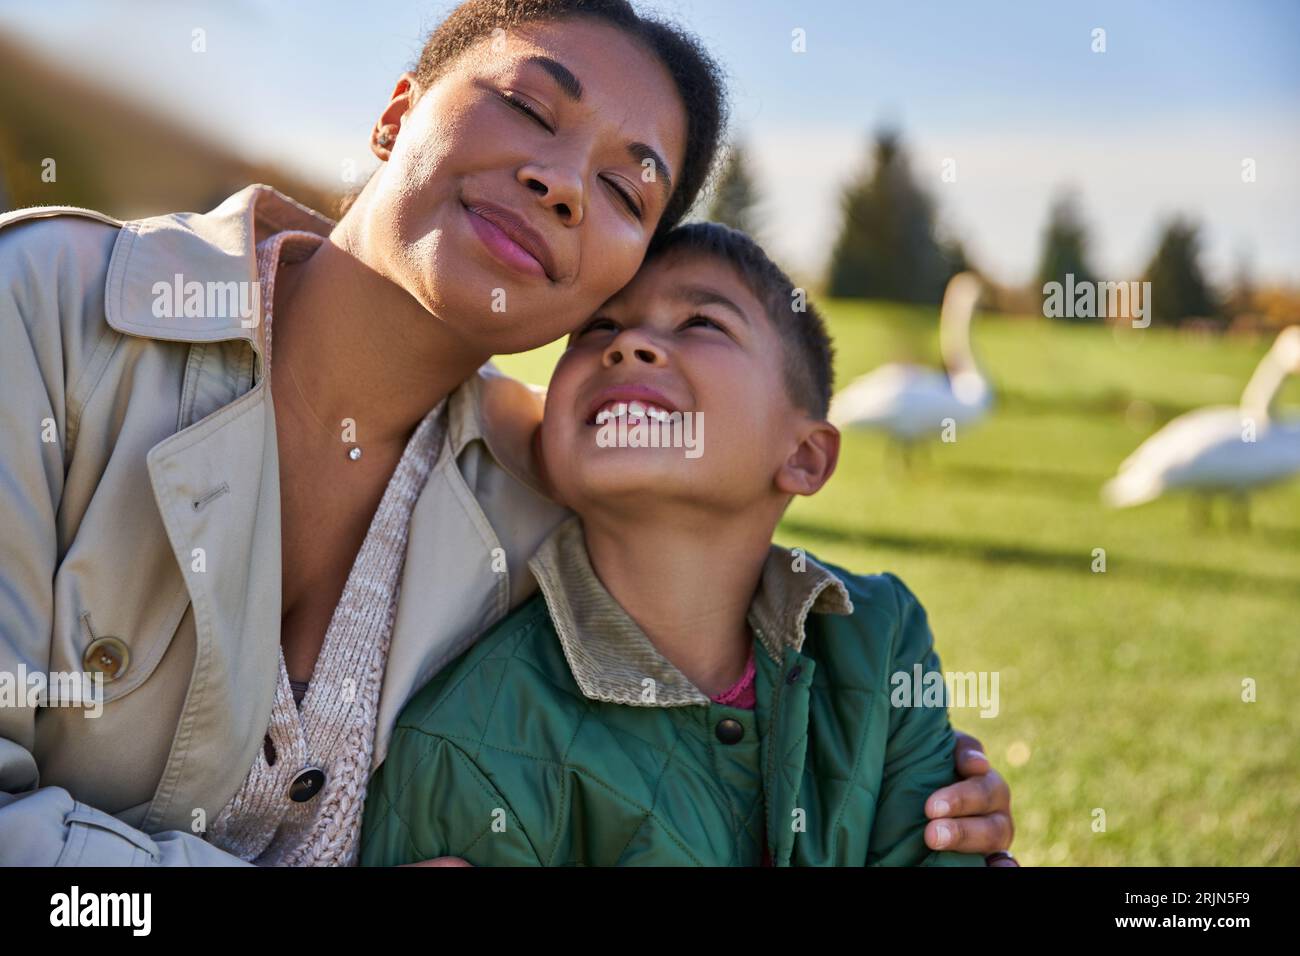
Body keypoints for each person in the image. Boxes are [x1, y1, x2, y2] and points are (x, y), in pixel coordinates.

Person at [0, 0, 1012, 866]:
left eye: (627, 190)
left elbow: (734, 628)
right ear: (396, 115)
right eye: (528, 106)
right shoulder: (46, 312)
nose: (564, 181)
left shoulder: (549, 492)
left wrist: (909, 778)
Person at [359, 223, 993, 865]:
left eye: (701, 324)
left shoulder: (881, 638)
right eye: (598, 328)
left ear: (804, 457)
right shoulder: (468, 747)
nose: (630, 343)